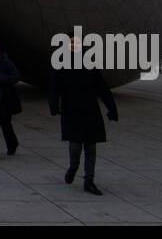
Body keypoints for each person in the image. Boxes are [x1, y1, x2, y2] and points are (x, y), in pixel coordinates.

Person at [48, 38, 118, 195]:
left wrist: (111, 108)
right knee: (75, 145)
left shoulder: (89, 62)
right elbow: (54, 87)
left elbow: (102, 87)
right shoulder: (61, 63)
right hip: (71, 108)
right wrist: (53, 105)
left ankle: (89, 180)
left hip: (90, 108)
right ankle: (73, 167)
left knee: (91, 146)